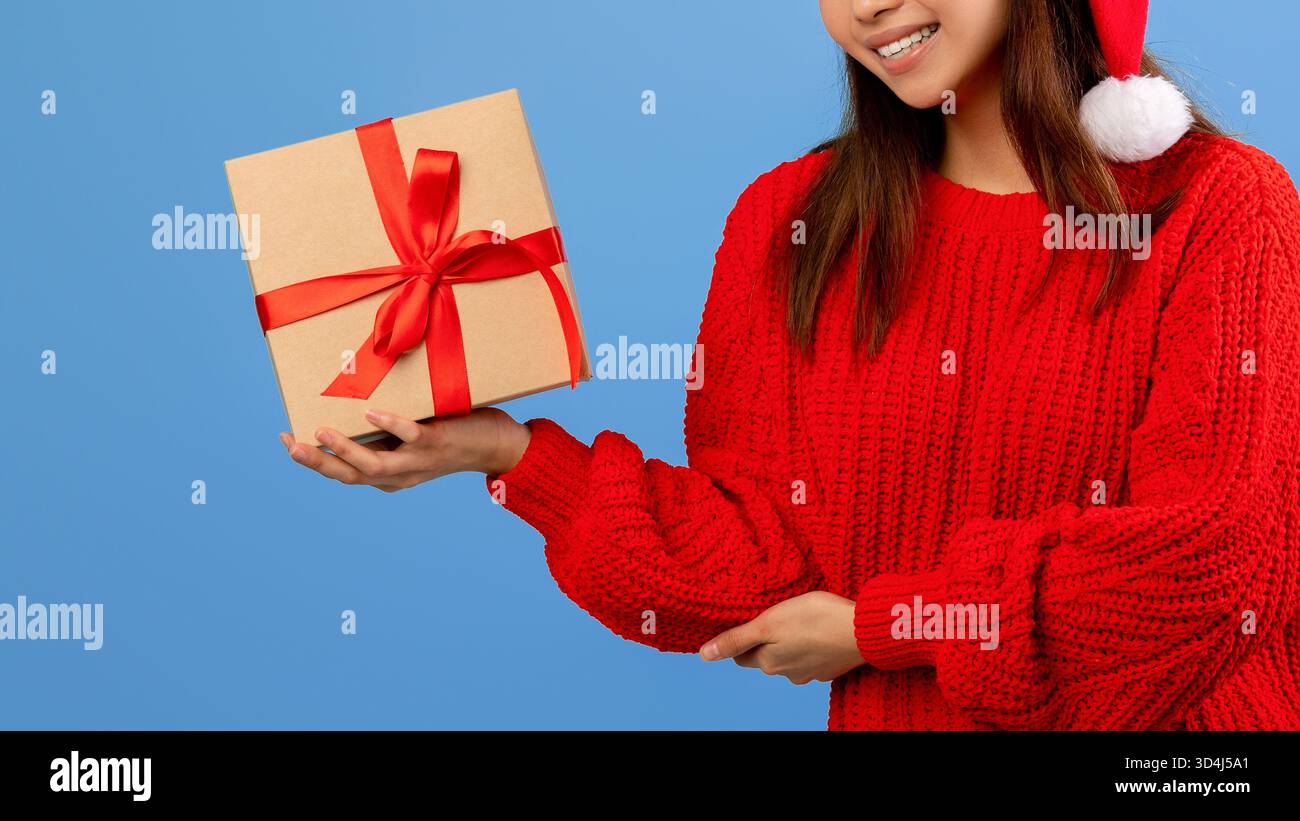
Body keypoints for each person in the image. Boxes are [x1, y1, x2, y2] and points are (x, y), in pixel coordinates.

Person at [280, 0, 1300, 730]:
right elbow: (761, 553)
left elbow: (1211, 564)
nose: (866, 7)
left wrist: (883, 623)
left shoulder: (1222, 208)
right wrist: (510, 455)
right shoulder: (794, 220)